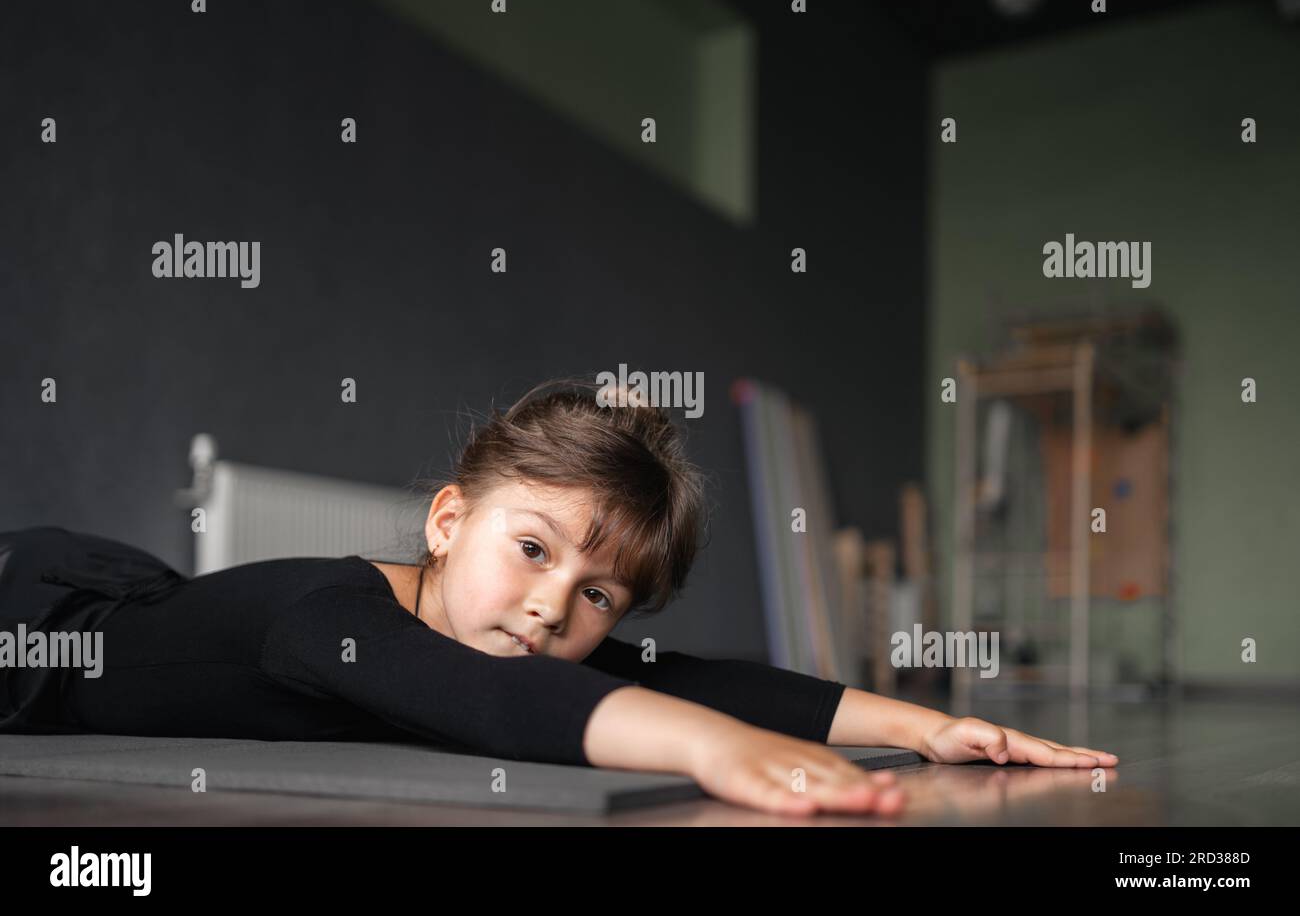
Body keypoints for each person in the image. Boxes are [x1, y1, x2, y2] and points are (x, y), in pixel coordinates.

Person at [0, 377, 1117, 818]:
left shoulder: (510, 625)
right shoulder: (327, 618)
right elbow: (498, 707)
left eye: (598, 594)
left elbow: (687, 675)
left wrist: (925, 724)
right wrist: (713, 753)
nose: (549, 608)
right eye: (529, 548)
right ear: (447, 520)